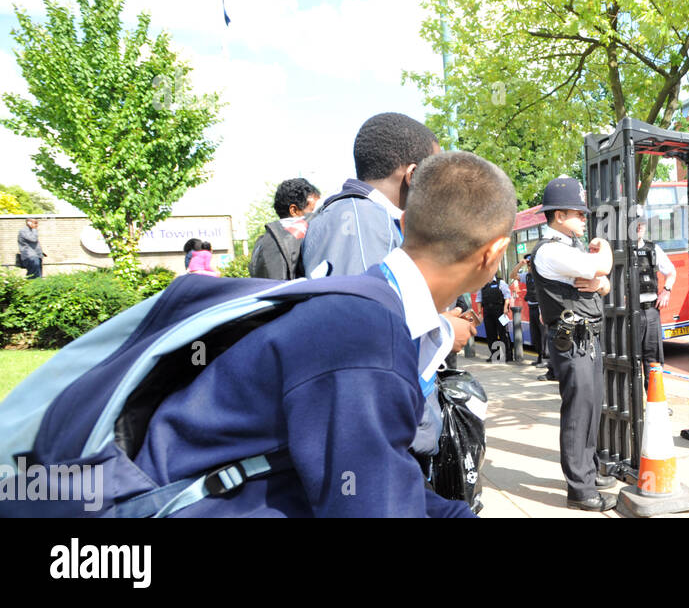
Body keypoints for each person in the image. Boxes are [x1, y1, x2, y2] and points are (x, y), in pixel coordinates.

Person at [130, 150, 516, 517]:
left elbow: (383, 487)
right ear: (493, 254)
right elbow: (368, 508)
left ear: (401, 225)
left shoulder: (367, 304)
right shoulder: (367, 338)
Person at [299, 111, 474, 362]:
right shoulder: (359, 219)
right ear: (413, 175)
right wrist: (444, 331)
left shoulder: (371, 217)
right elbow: (358, 331)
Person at [529, 176, 617, 511]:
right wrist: (603, 251)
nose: (584, 219)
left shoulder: (569, 248)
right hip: (572, 341)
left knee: (592, 406)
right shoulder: (551, 251)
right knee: (579, 412)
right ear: (559, 216)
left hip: (587, 338)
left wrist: (598, 281)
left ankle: (588, 472)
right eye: (579, 214)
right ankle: (580, 489)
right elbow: (602, 266)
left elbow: (603, 285)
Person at [301, 112, 439, 279]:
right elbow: (359, 303)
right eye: (434, 174)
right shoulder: (362, 218)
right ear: (413, 174)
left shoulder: (364, 215)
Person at [632, 217, 676, 389]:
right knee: (630, 359)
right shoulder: (619, 251)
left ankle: (655, 404)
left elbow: (671, 272)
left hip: (650, 312)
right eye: (634, 224)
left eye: (641, 224)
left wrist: (667, 290)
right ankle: (632, 407)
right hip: (629, 313)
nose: (639, 227)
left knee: (653, 359)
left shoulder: (653, 248)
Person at [249, 178, 321, 280]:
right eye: (312, 211)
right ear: (294, 210)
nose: (317, 217)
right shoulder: (301, 238)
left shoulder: (262, 243)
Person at [513, 254, 554, 379]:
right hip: (531, 308)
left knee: (544, 335)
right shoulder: (527, 276)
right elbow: (512, 275)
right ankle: (539, 357)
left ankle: (545, 359)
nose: (530, 266)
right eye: (529, 264)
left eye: (531, 264)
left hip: (541, 307)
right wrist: (520, 264)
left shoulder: (541, 274)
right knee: (535, 334)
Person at [476, 275, 514, 362]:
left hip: (499, 310)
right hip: (487, 311)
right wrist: (479, 312)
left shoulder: (500, 282)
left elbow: (507, 296)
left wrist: (505, 308)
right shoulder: (482, 284)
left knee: (503, 333)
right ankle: (495, 355)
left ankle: (508, 355)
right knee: (490, 334)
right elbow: (479, 299)